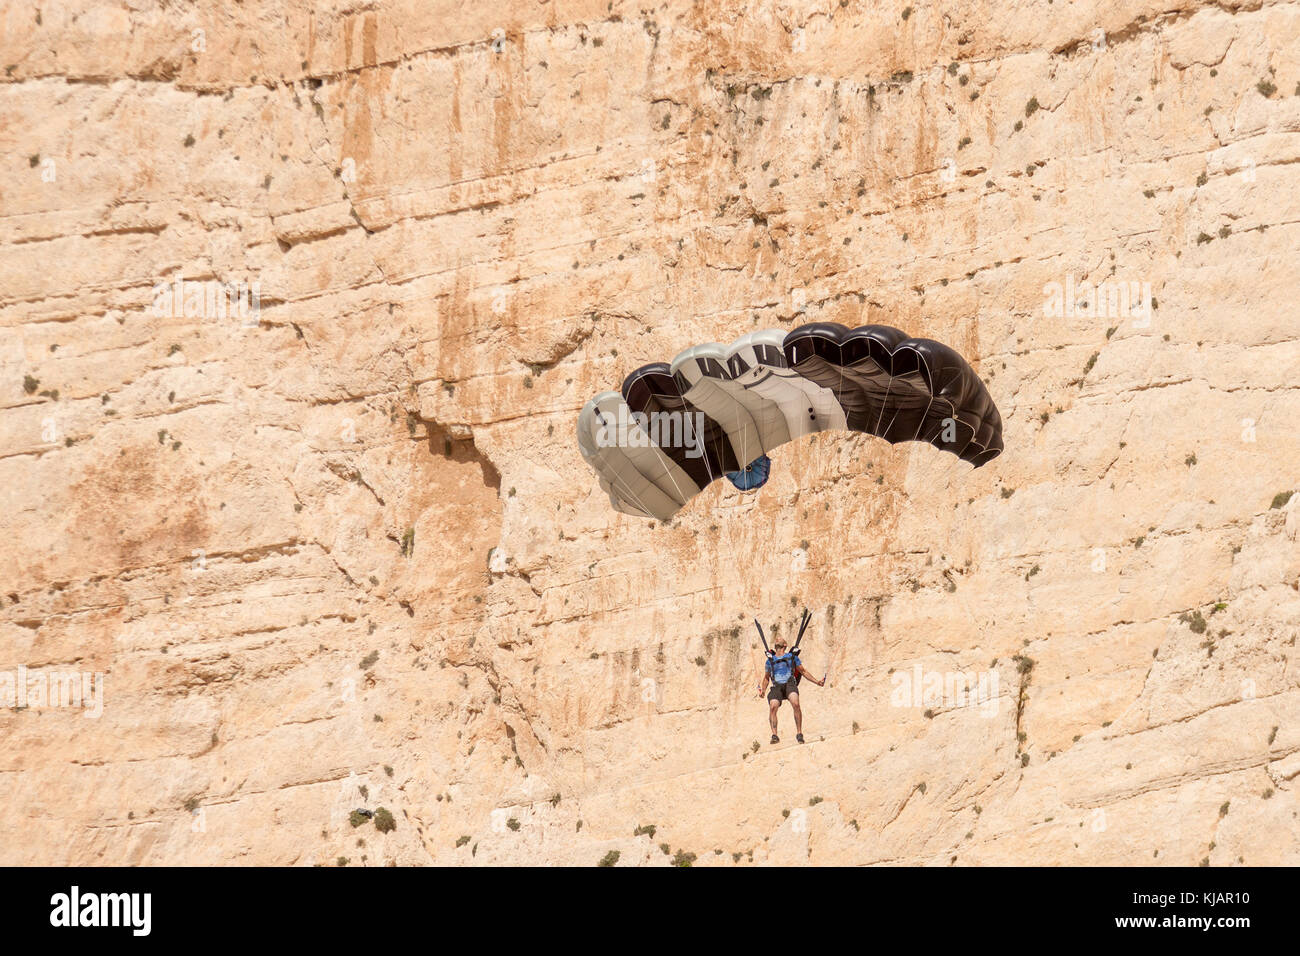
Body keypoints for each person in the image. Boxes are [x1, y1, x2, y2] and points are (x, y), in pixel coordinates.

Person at [758, 637, 824, 744]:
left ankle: (799, 733)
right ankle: (774, 735)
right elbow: (766, 677)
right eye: (776, 639)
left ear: (785, 645)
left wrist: (817, 682)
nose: (777, 638)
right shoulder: (770, 660)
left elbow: (803, 671)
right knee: (773, 706)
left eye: (780, 639)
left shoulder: (791, 657)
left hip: (789, 683)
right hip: (776, 686)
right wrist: (763, 690)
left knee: (795, 702)